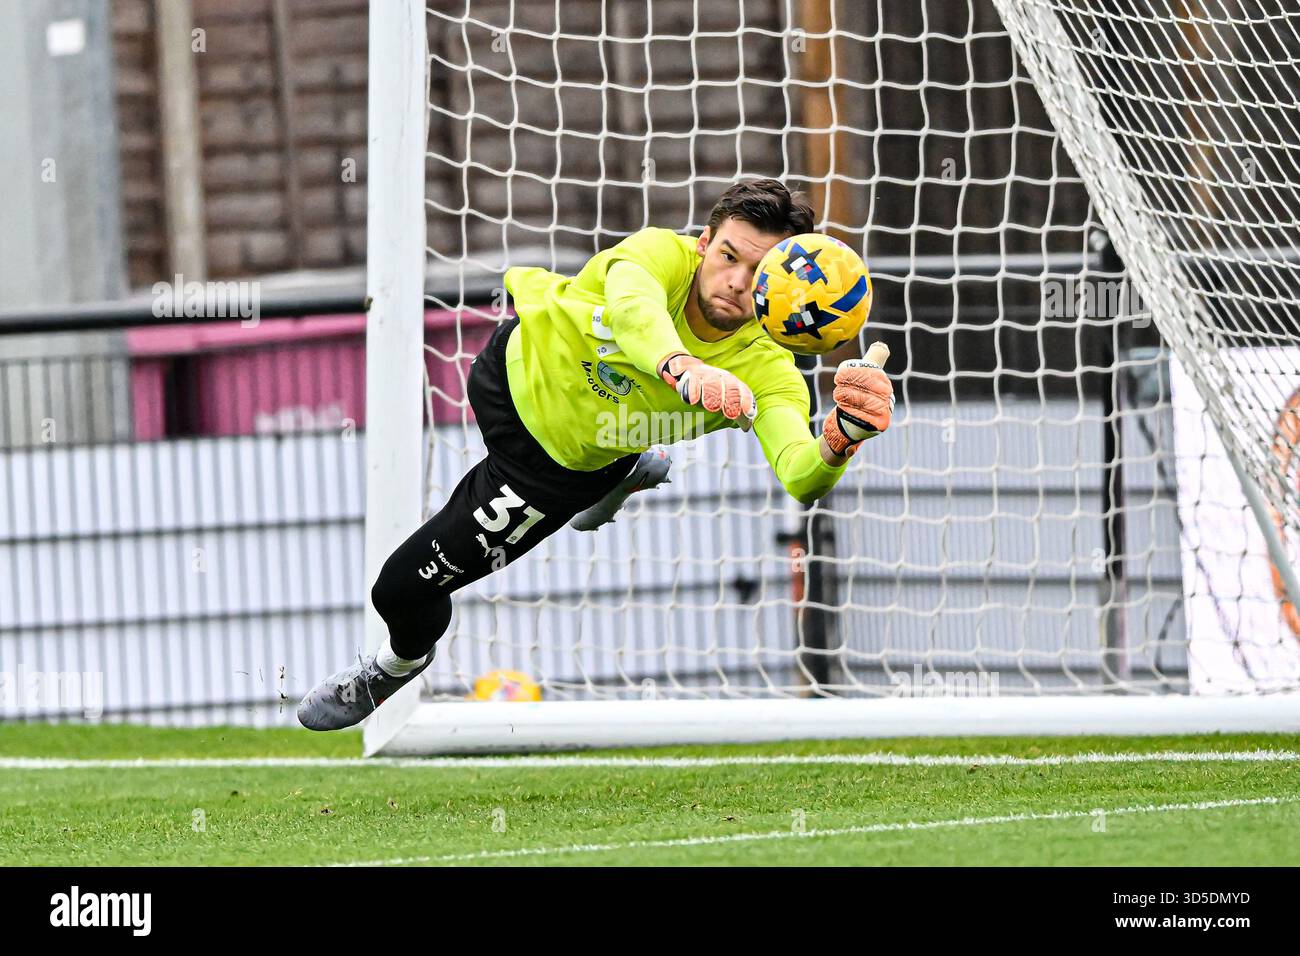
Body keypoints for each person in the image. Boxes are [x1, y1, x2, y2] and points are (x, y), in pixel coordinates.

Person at [297, 178, 894, 730]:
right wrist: (681, 367)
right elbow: (635, 313)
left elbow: (800, 475)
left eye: (758, 271)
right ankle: (626, 468)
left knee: (397, 591)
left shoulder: (768, 371)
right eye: (728, 256)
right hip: (504, 371)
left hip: (545, 475)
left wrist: (839, 440)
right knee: (608, 407)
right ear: (703, 242)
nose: (736, 281)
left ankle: (390, 670)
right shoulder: (661, 253)